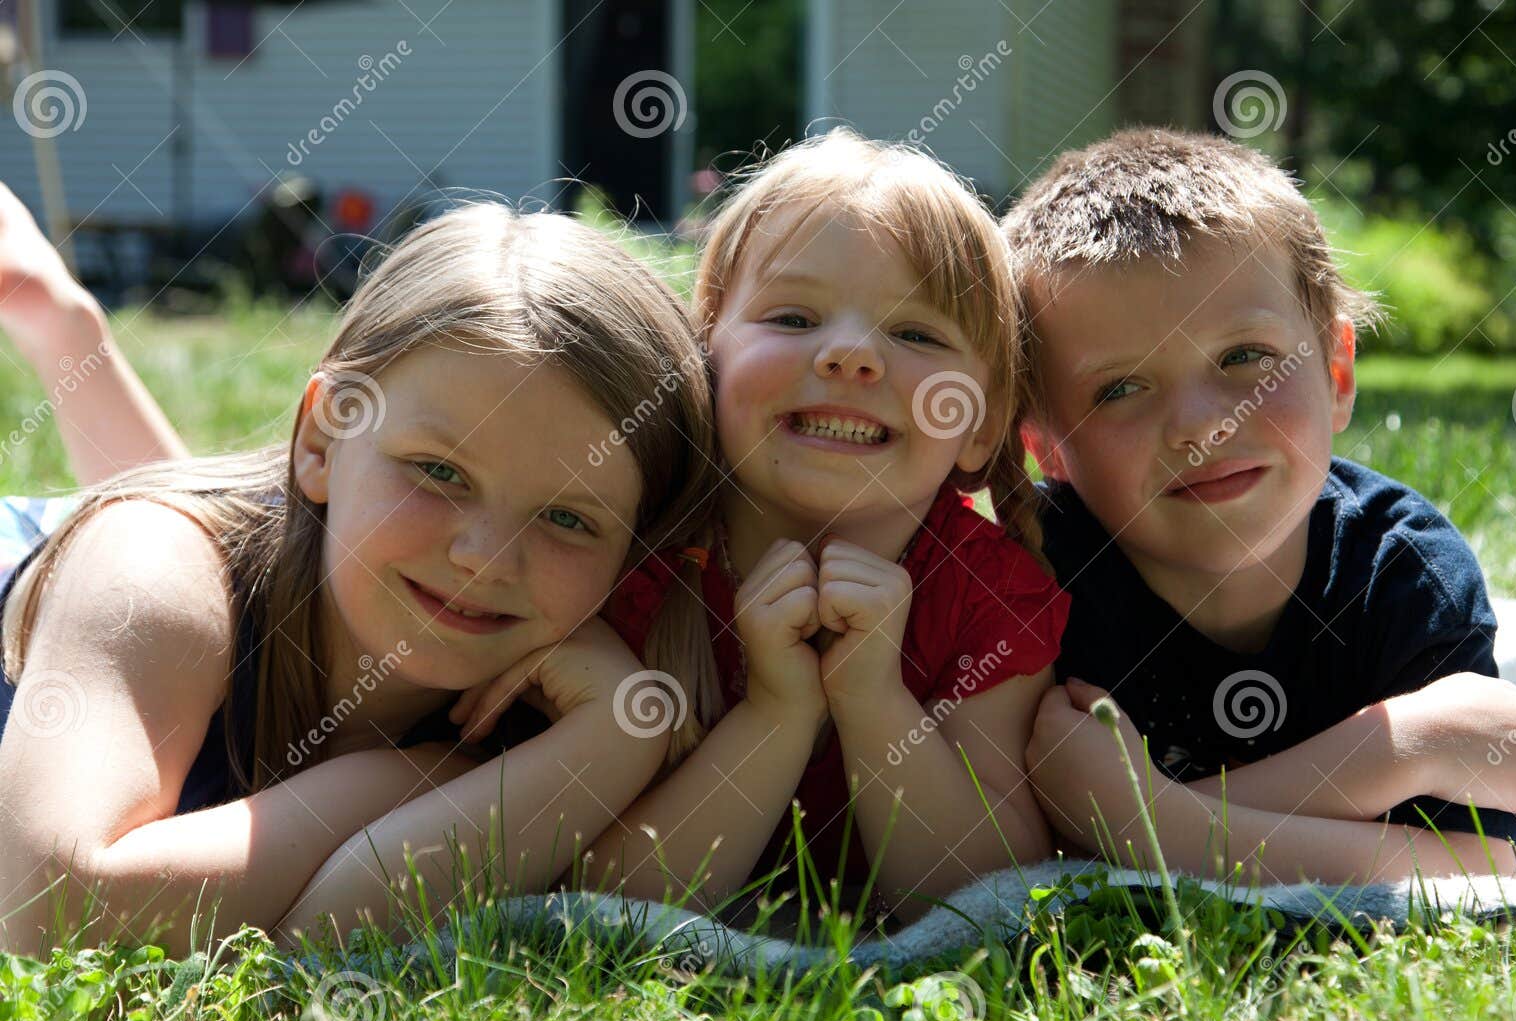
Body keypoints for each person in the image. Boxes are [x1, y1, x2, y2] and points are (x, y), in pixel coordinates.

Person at [0, 184, 721, 957]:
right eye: (439, 472)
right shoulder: (150, 566)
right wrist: (404, 781)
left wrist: (614, 736)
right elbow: (46, 918)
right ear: (320, 441)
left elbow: (652, 894)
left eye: (569, 519)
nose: (485, 557)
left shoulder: (556, 692)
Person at [517, 131, 1074, 922]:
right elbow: (601, 911)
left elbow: (983, 904)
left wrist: (874, 698)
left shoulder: (992, 602)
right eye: (792, 316)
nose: (851, 355)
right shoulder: (630, 561)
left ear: (981, 427)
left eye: (916, 335)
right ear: (705, 360)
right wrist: (777, 715)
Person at [1005, 128, 1516, 885]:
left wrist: (1148, 823)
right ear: (1049, 448)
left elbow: (1480, 864)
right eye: (1121, 389)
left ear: (1336, 373)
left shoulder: (1403, 578)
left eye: (1245, 358)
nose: (1204, 423)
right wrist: (1403, 756)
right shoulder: (1031, 577)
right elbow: (999, 850)